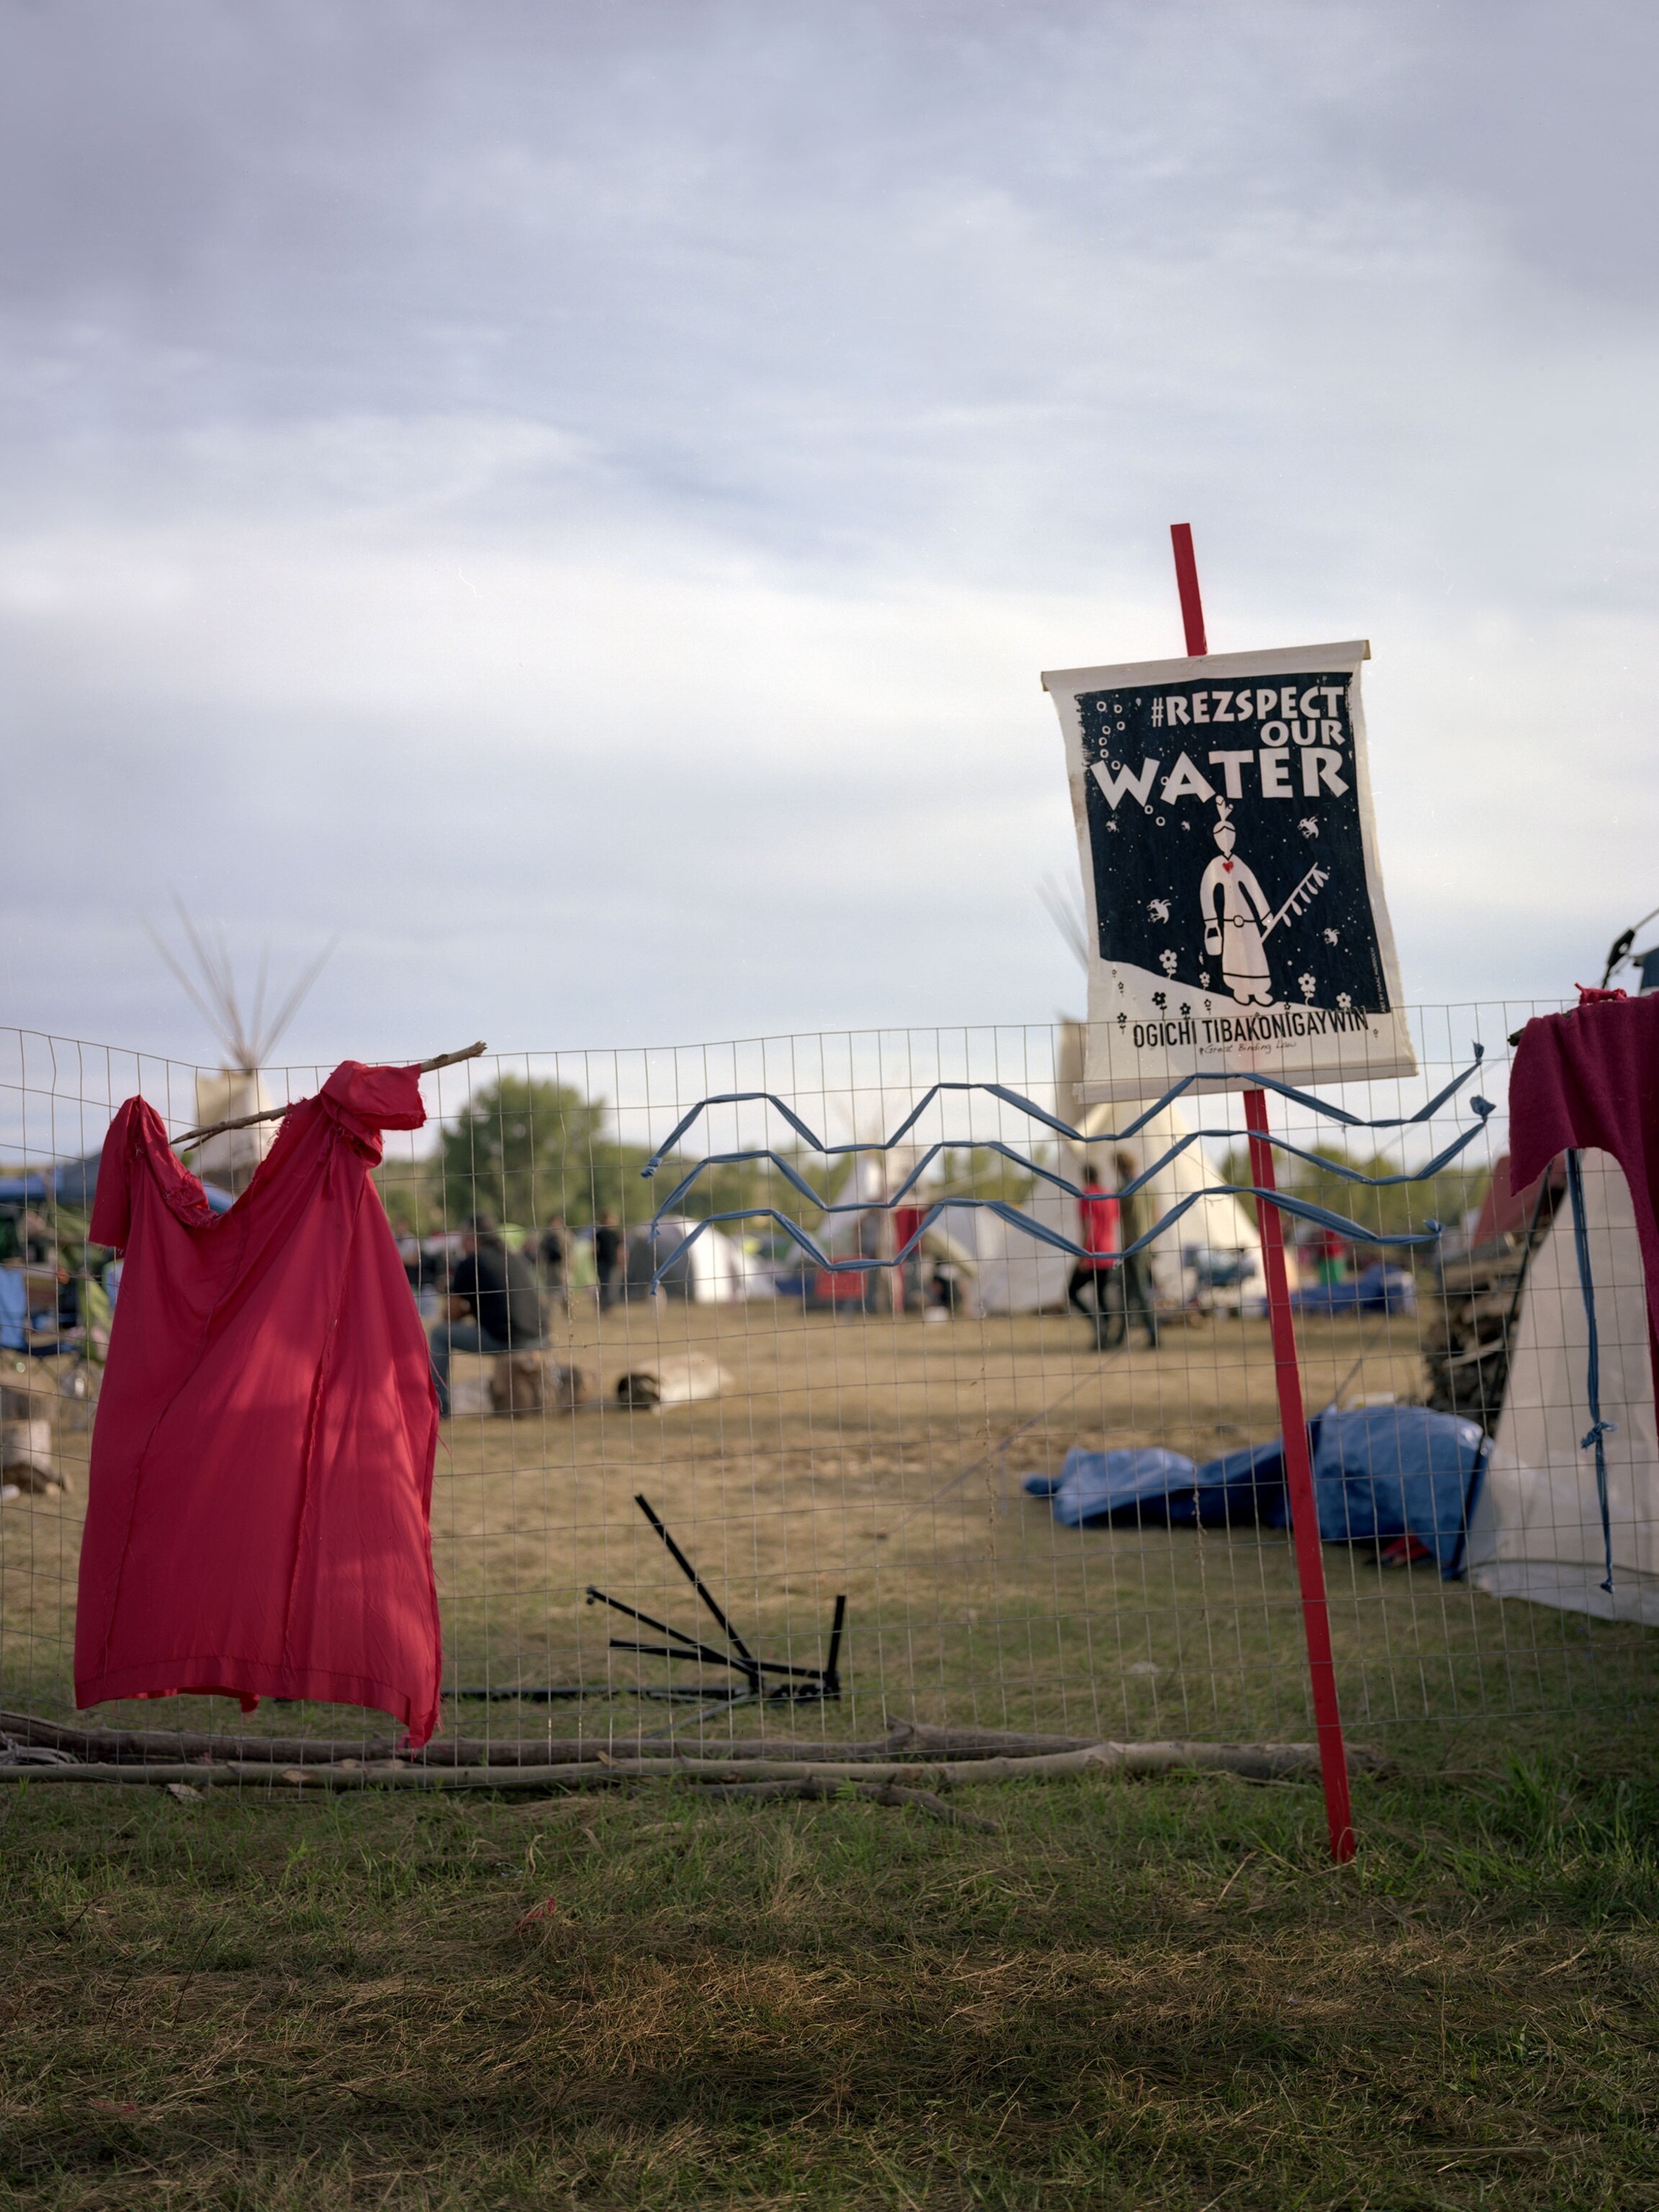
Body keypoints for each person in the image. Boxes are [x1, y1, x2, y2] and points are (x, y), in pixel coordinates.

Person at [430, 1212, 545, 1416]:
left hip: (508, 1339)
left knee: (440, 1334)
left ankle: (439, 1407)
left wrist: (457, 1297)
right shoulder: (513, 1256)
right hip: (540, 1336)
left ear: (471, 1237)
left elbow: (450, 1316)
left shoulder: (471, 1262)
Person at [1107, 1148, 1161, 1351]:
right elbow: (1156, 1216)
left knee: (1137, 1291)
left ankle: (1153, 1335)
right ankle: (1120, 1336)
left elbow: (1118, 1217)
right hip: (1147, 1243)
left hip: (1132, 1245)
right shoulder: (1149, 1187)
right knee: (1130, 1291)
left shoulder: (1123, 1189)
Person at [1066, 1164, 1118, 1346]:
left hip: (1092, 1252)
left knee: (1072, 1291)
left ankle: (1097, 1323)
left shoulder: (1086, 1195)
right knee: (1101, 1295)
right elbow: (1114, 1221)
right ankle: (1104, 1331)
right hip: (1108, 1252)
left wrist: (1082, 1254)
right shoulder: (1109, 1195)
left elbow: (1088, 1226)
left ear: (1084, 1176)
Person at [593, 1210, 623, 1310]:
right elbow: (595, 1248)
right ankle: (603, 1305)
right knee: (604, 1285)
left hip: (613, 1263)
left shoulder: (616, 1234)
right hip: (602, 1263)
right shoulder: (599, 1234)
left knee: (612, 1285)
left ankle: (609, 1305)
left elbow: (620, 1249)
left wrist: (621, 1261)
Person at [538, 1213, 570, 1308]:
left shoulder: (565, 1234)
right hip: (550, 1264)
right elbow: (542, 1249)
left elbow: (570, 1249)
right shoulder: (547, 1235)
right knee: (551, 1285)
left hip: (563, 1264)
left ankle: (566, 1303)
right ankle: (553, 1306)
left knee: (564, 1283)